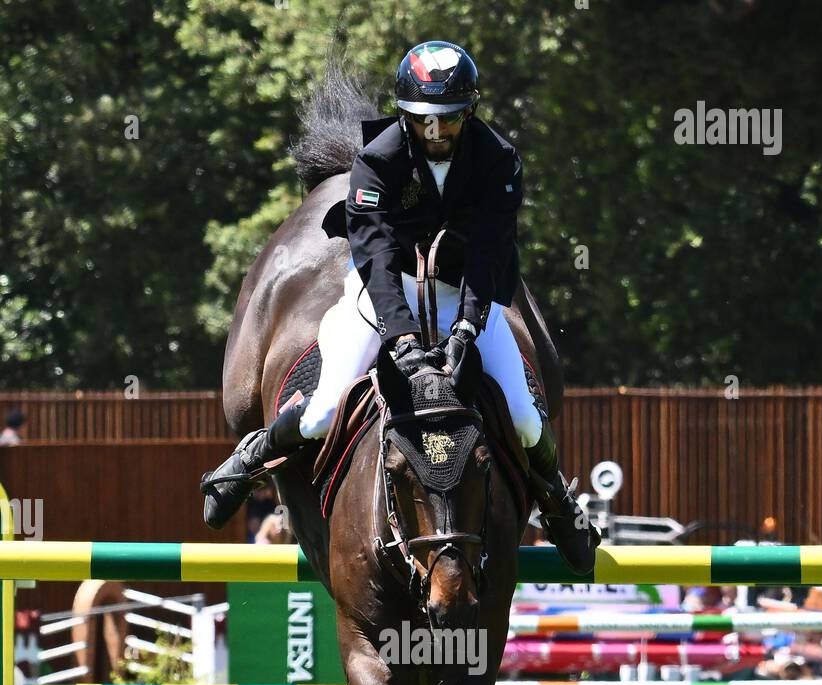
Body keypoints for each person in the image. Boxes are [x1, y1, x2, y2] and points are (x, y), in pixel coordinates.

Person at [203, 40, 597, 573]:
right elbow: (375, 258)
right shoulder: (377, 160)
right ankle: (253, 455)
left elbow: (489, 258)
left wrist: (464, 331)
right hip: (382, 294)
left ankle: (557, 502)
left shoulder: (498, 161)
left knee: (526, 420)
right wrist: (402, 337)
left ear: (470, 112)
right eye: (424, 121)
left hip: (465, 293)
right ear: (405, 115)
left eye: (450, 121)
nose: (438, 135)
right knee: (320, 411)